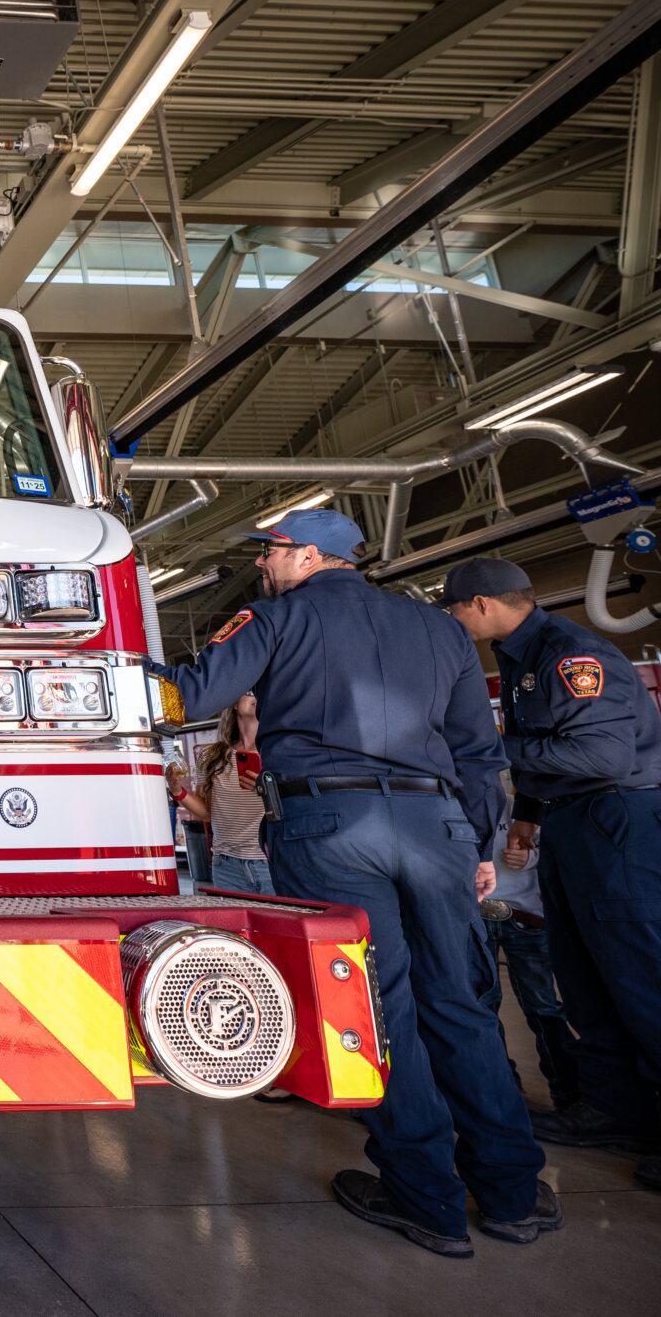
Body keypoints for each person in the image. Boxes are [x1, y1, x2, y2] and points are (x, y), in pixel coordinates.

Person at [148, 509, 552, 1258]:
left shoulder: (275, 619)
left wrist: (126, 667)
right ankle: (512, 1194)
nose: (262, 565)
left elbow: (191, 697)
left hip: (328, 826)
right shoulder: (440, 629)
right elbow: (477, 750)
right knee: (461, 1004)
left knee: (378, 1006)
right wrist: (472, 842)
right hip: (437, 827)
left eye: (270, 552)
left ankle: (425, 1197)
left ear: (309, 555)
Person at [443, 555, 661, 1194]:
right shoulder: (520, 655)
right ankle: (616, 1108)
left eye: (455, 610)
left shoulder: (569, 654)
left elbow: (603, 754)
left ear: (481, 604)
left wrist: (490, 751)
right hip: (569, 820)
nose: (455, 622)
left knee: (641, 971)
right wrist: (529, 814)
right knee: (584, 971)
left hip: (617, 820)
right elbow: (554, 743)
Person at [480, 823, 582, 1113]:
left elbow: (561, 847)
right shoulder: (463, 805)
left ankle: (569, 1093)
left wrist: (530, 858)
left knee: (543, 1006)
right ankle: (504, 1087)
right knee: (484, 1006)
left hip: (527, 918)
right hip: (477, 915)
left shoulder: (527, 809)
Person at [167, 692, 274, 894]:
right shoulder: (209, 756)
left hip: (270, 862)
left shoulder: (277, 753)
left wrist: (268, 790)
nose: (254, 694)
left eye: (258, 690)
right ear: (234, 704)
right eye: (248, 691)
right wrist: (178, 791)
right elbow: (207, 812)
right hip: (226, 867)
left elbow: (296, 805)